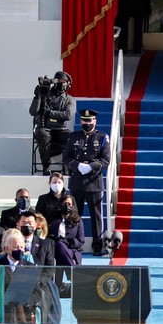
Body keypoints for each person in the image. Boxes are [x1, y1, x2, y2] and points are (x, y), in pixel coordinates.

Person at [63, 109, 110, 255]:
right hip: (77, 181)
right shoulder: (73, 137)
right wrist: (78, 166)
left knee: (96, 217)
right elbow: (66, 157)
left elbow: (106, 160)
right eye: (84, 120)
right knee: (74, 216)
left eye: (89, 121)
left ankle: (98, 246)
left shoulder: (102, 138)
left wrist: (90, 166)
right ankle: (74, 244)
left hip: (94, 182)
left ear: (95, 121)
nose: (87, 123)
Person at [31, 71, 74, 172]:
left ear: (67, 84)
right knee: (43, 135)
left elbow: (68, 115)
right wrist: (37, 97)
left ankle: (70, 165)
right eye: (58, 81)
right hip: (44, 128)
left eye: (63, 82)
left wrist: (50, 112)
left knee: (72, 137)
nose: (60, 84)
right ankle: (46, 166)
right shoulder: (45, 93)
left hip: (59, 129)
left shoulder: (69, 99)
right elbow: (33, 112)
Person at [49, 195, 84, 267]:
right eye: (64, 203)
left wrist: (67, 242)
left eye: (69, 204)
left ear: (73, 206)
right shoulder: (51, 219)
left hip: (71, 249)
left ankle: (60, 276)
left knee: (61, 249)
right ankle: (72, 272)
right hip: (54, 248)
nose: (67, 206)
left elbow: (81, 240)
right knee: (59, 245)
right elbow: (47, 235)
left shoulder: (78, 221)